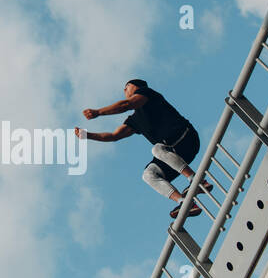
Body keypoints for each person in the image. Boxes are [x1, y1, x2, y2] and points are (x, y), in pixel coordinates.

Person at [73, 79, 212, 218]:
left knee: (157, 149)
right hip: (174, 155)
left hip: (186, 138)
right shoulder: (135, 120)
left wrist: (98, 112)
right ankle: (185, 203)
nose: (125, 91)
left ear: (137, 87)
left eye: (127, 87)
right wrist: (88, 135)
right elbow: (114, 136)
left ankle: (197, 180)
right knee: (148, 174)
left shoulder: (147, 93)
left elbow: (126, 104)